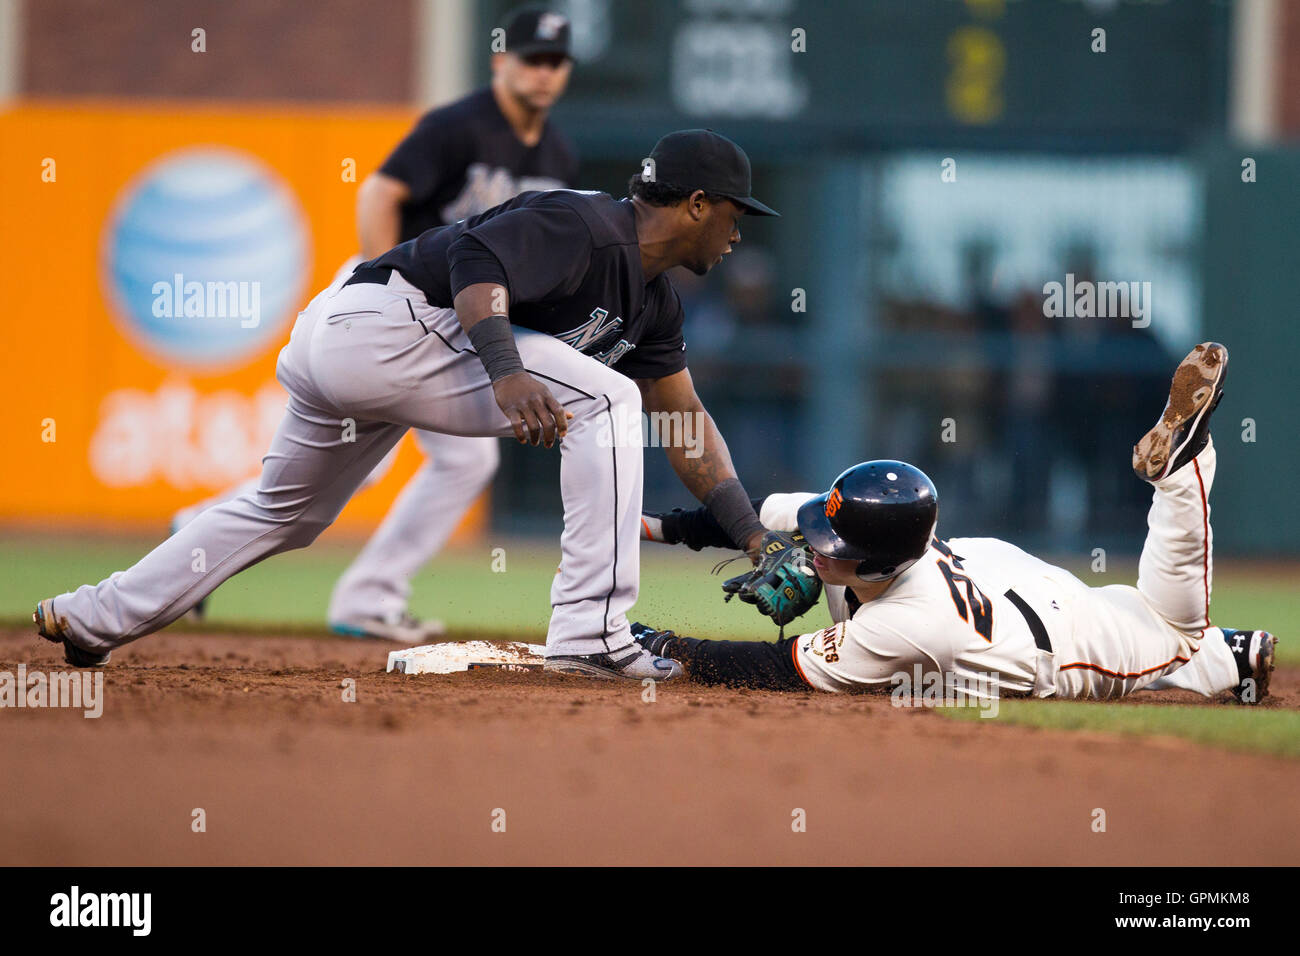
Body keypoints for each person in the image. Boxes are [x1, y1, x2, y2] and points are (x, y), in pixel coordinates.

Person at [36, 129, 779, 683]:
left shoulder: (653, 304)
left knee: (285, 513)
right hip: (388, 327)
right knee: (607, 395)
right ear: (695, 204)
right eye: (735, 213)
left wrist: (750, 536)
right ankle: (590, 634)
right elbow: (475, 258)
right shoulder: (586, 224)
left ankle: (95, 616)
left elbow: (686, 424)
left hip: (363, 347)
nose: (739, 232)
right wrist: (505, 370)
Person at [172, 5, 580, 642]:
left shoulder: (558, 152)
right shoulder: (458, 125)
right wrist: (377, 283)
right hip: (391, 297)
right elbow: (378, 193)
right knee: (383, 465)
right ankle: (352, 589)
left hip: (454, 314)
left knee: (448, 464)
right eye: (532, 58)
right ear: (501, 61)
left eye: (556, 62)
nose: (543, 72)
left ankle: (349, 586)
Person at [635, 343, 1277, 703]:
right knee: (1167, 620)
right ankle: (1237, 657)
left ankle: (1185, 476)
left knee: (1179, 631)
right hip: (1011, 581)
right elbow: (746, 518)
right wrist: (652, 528)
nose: (815, 548)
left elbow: (769, 670)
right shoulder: (879, 527)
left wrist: (659, 644)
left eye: (833, 545)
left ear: (883, 562)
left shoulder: (909, 628)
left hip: (1080, 644)